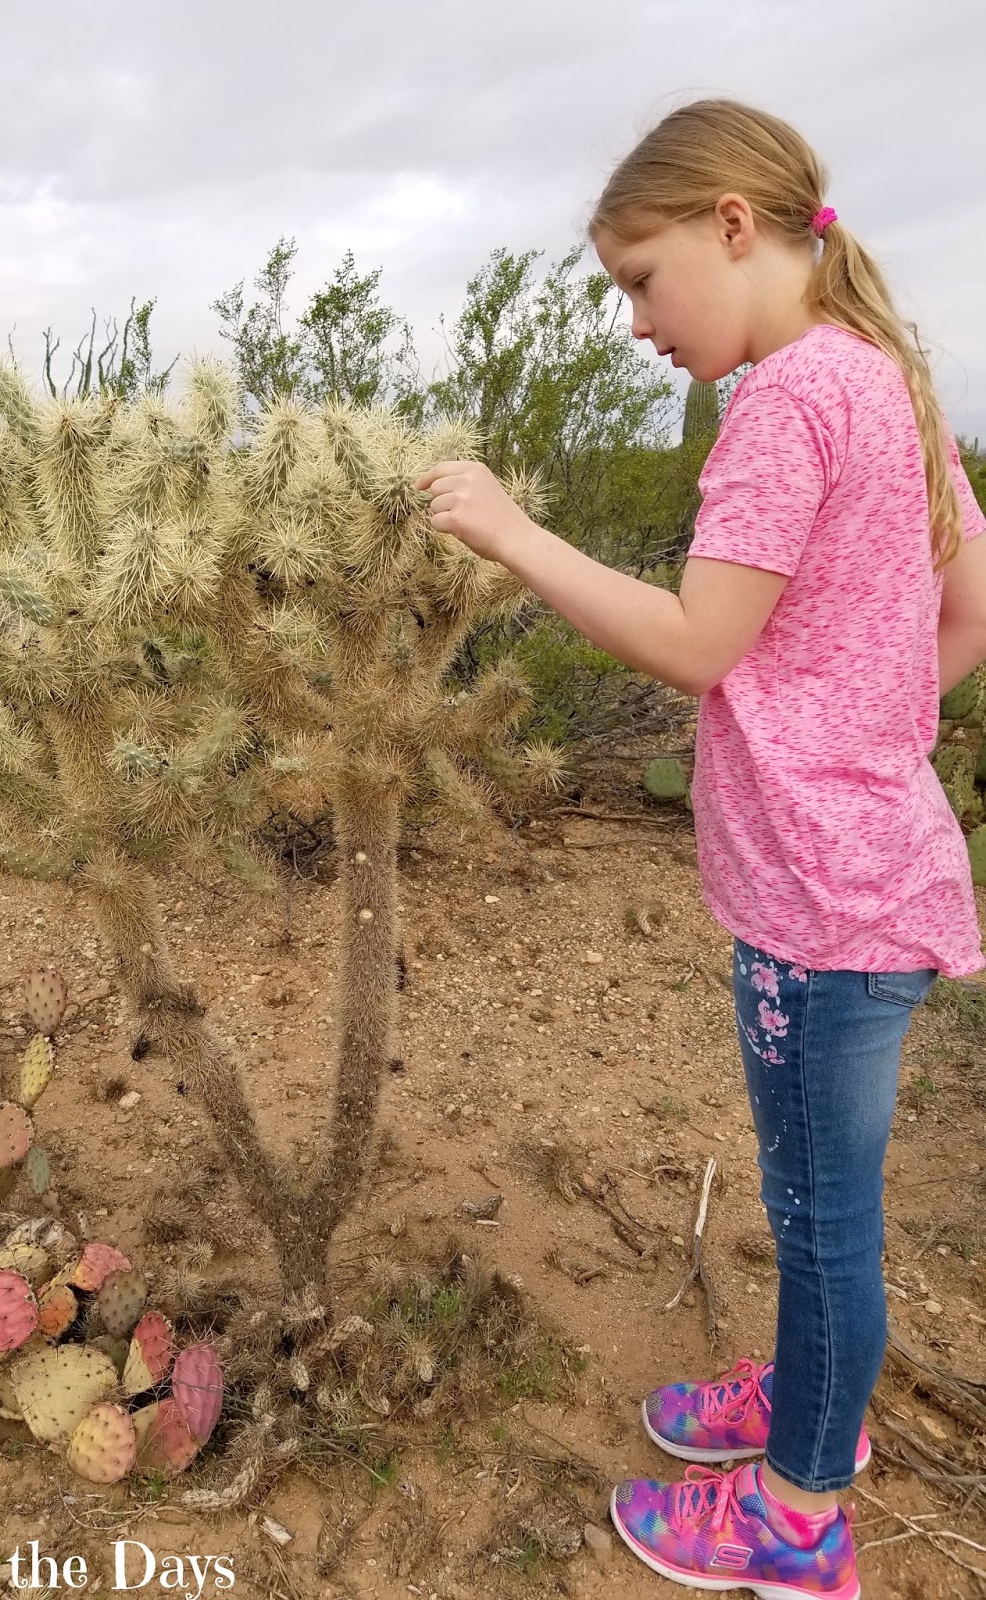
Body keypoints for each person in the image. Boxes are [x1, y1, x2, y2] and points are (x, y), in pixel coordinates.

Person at [413, 97, 986, 1598]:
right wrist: (858, 716)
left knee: (818, 1214)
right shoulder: (890, 382)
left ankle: (798, 1523)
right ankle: (814, 1420)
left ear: (734, 225)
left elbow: (692, 639)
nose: (637, 323)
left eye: (639, 280)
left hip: (817, 895)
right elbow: (967, 616)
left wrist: (515, 534)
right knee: (818, 1205)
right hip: (878, 867)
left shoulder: (786, 404)